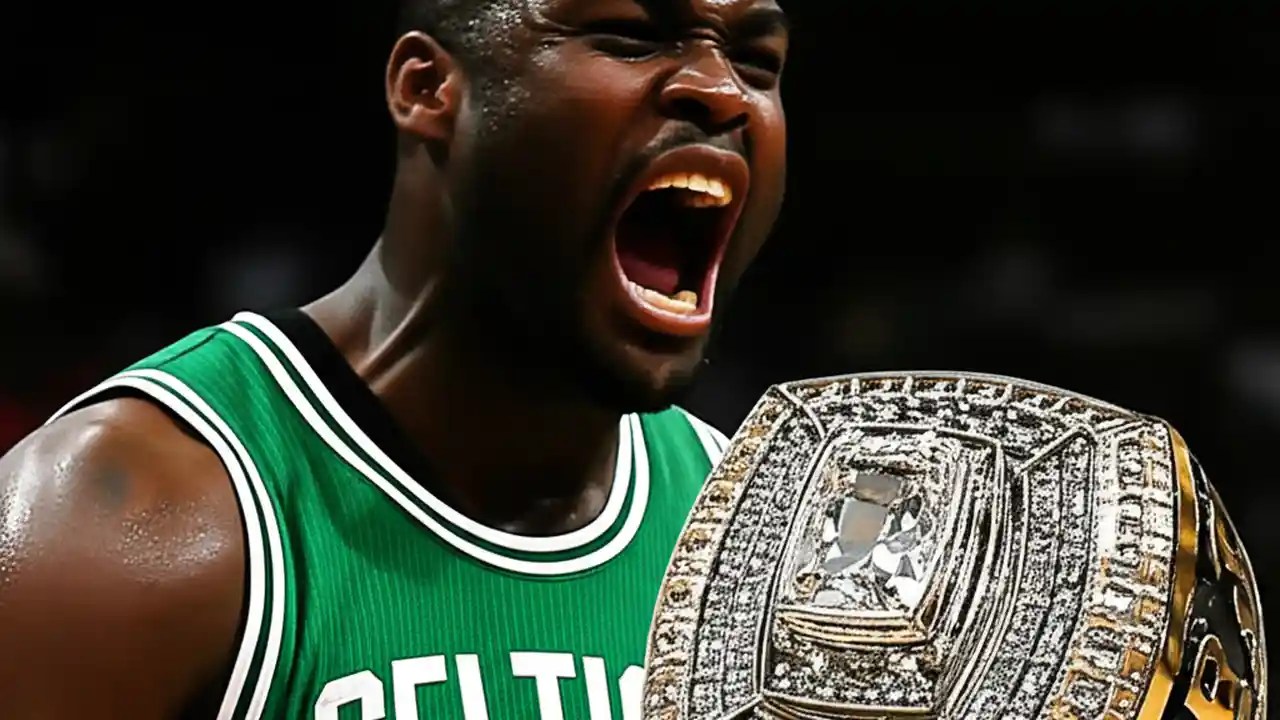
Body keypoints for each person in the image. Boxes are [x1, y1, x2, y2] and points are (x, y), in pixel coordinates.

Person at [0, 0, 790, 717]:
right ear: (426, 88)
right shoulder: (126, 521)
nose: (721, 91)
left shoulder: (761, 552)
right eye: (631, 37)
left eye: (757, 62)